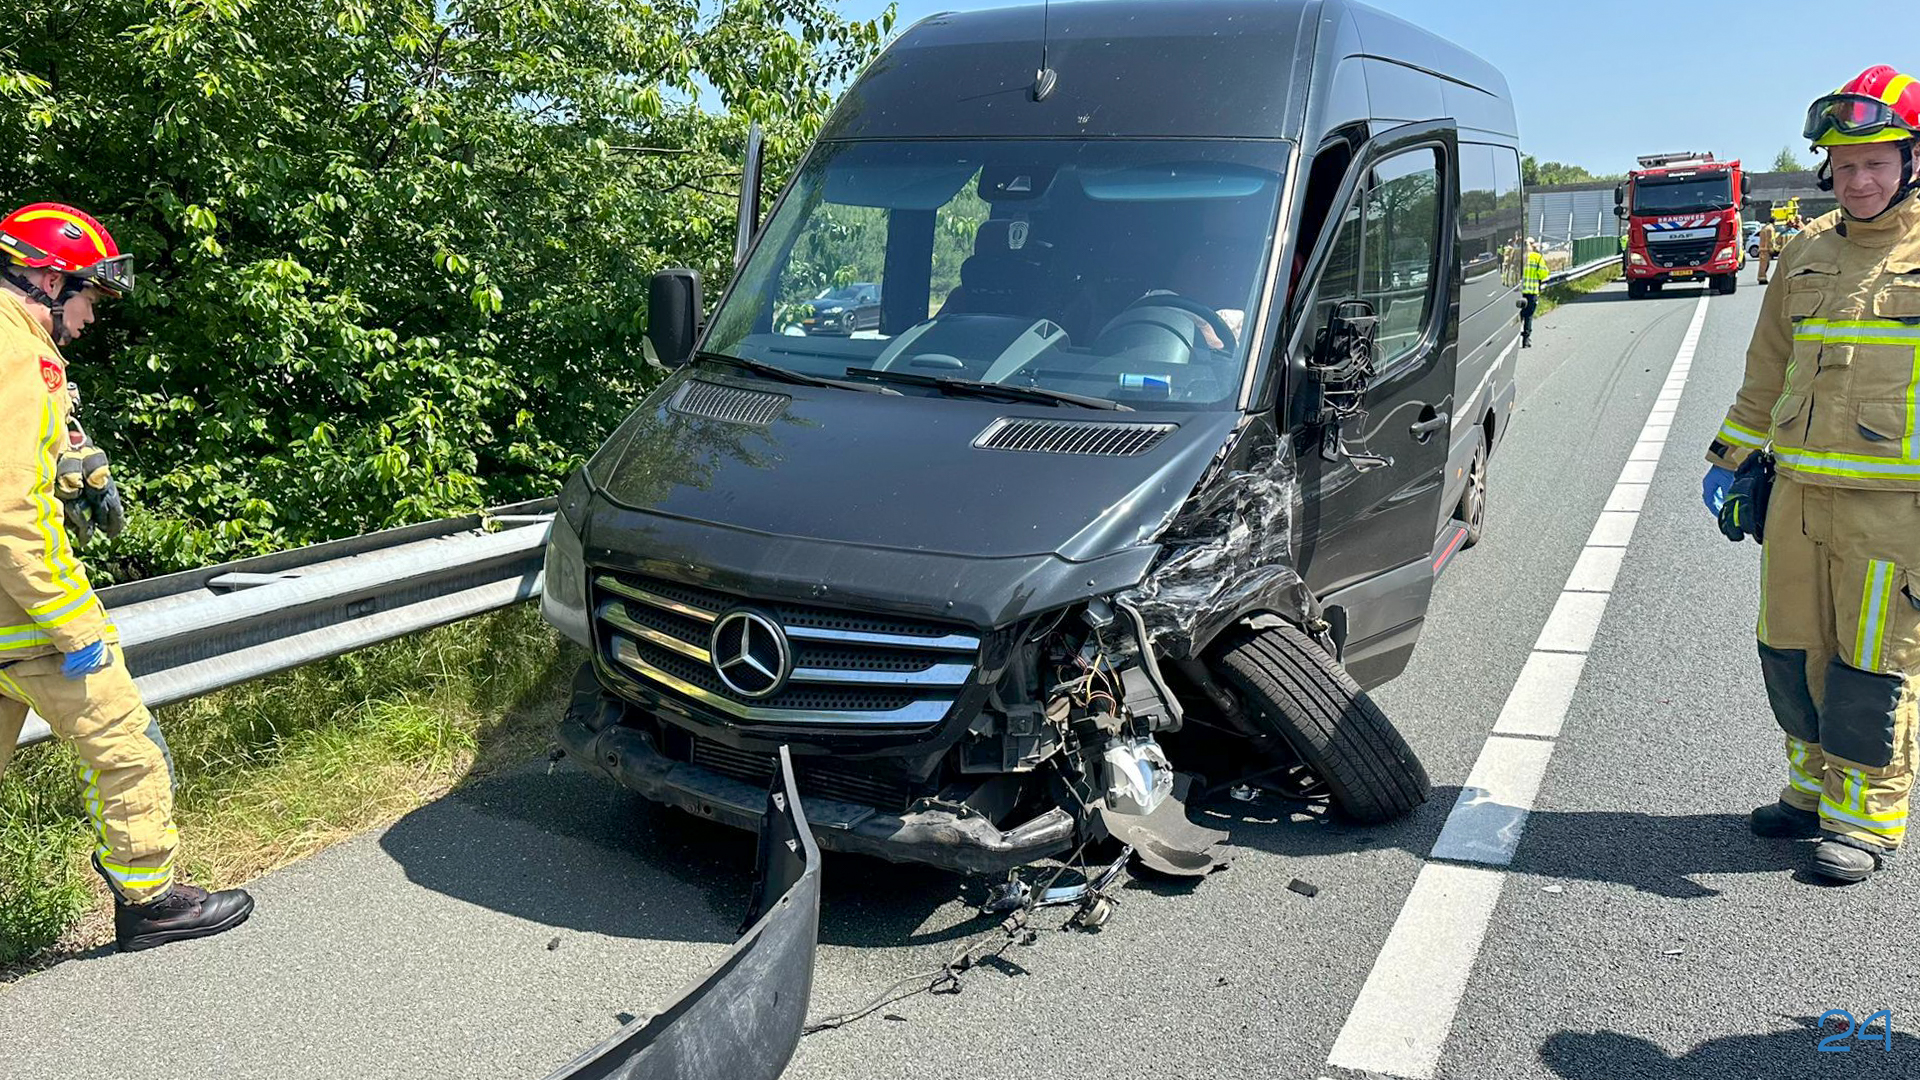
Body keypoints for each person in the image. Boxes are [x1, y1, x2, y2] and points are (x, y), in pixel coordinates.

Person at [0, 202, 254, 948]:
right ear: (49, 277)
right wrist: (72, 623)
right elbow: (12, 508)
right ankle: (152, 901)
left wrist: (70, 452)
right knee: (124, 745)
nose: (90, 320)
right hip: (26, 618)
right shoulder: (19, 352)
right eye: (89, 299)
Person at [1704, 66, 1920, 883]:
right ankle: (1808, 791)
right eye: (1844, 162)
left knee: (1873, 663)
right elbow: (1767, 371)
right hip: (1794, 497)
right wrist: (1729, 461)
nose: (1859, 179)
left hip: (1895, 508)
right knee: (1792, 649)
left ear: (1911, 160)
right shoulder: (1803, 252)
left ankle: (1864, 819)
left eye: (1876, 161)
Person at [1519, 238, 1548, 347]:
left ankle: (1513, 337)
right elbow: (1543, 274)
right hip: (1532, 291)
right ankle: (1526, 340)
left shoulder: (1519, 257)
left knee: (1519, 315)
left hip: (1518, 291)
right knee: (1529, 316)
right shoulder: (1537, 257)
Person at [1755, 219, 1776, 284]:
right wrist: (1772, 249)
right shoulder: (1770, 229)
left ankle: (1762, 277)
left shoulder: (1764, 228)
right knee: (1764, 265)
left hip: (1762, 248)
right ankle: (1762, 278)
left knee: (1763, 264)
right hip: (1766, 249)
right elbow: (1770, 240)